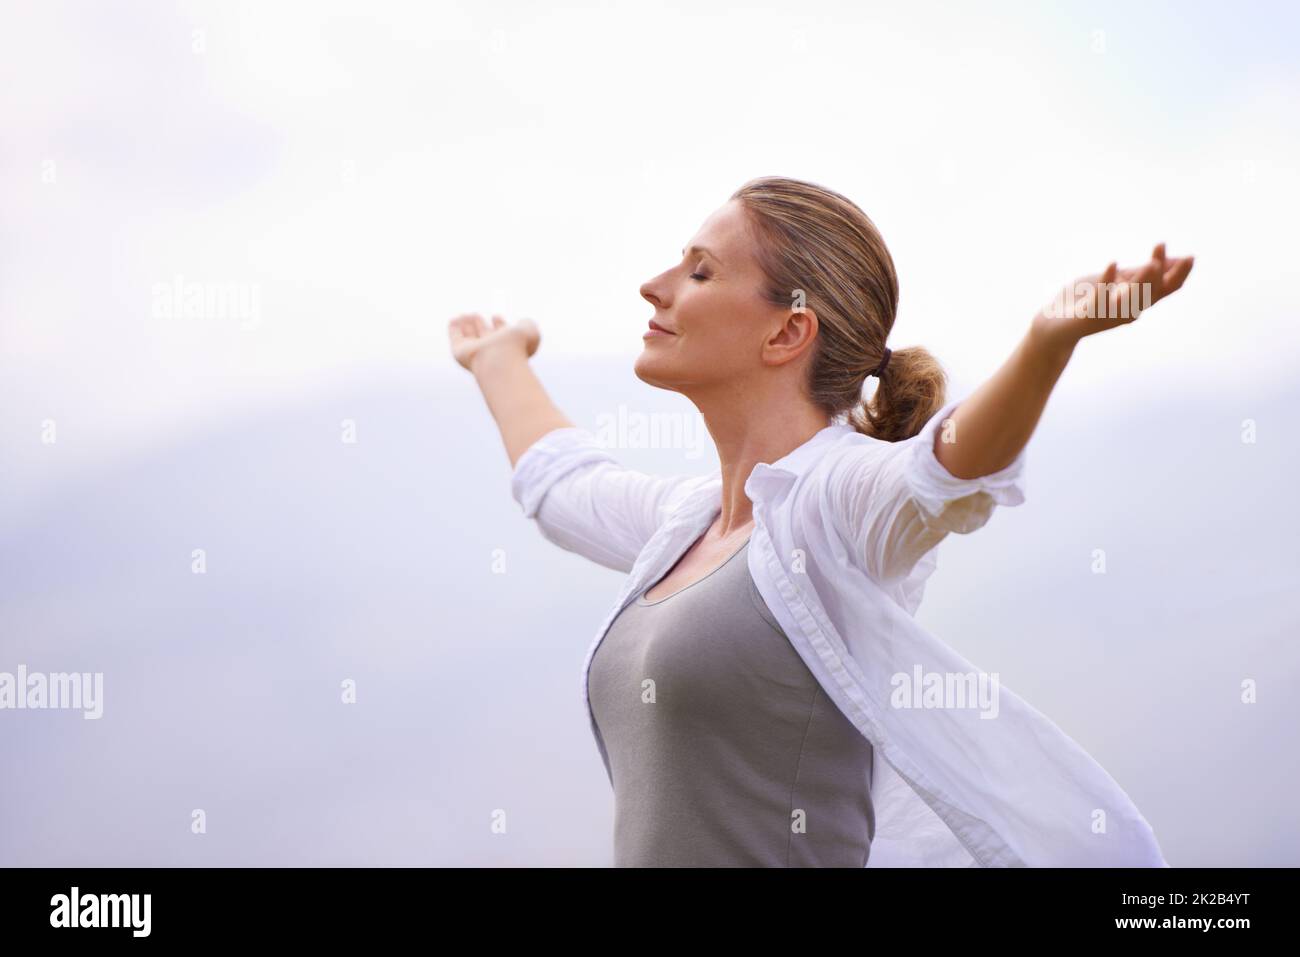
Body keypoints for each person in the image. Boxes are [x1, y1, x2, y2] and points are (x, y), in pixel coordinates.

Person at [449, 175, 1193, 867]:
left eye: (700, 271)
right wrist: (496, 358)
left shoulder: (833, 500)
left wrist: (1047, 341)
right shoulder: (686, 523)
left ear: (786, 334)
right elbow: (562, 483)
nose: (655, 286)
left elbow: (946, 469)